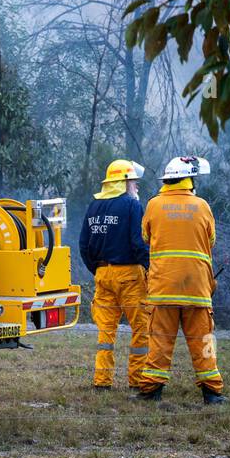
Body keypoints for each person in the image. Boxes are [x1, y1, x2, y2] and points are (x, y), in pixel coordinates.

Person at [138, 156, 224, 405]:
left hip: (163, 287)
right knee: (204, 341)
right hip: (197, 288)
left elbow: (145, 237)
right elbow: (211, 241)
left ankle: (151, 391)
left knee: (160, 341)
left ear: (166, 181)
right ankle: (212, 393)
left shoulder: (154, 205)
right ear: (189, 181)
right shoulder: (202, 206)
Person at [79, 160, 150, 391]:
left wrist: (98, 269)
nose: (136, 186)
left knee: (105, 333)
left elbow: (83, 245)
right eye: (134, 182)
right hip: (130, 275)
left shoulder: (93, 206)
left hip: (102, 274)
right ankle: (137, 381)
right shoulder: (132, 206)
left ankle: (102, 382)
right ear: (124, 182)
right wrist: (151, 268)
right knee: (141, 328)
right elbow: (138, 244)